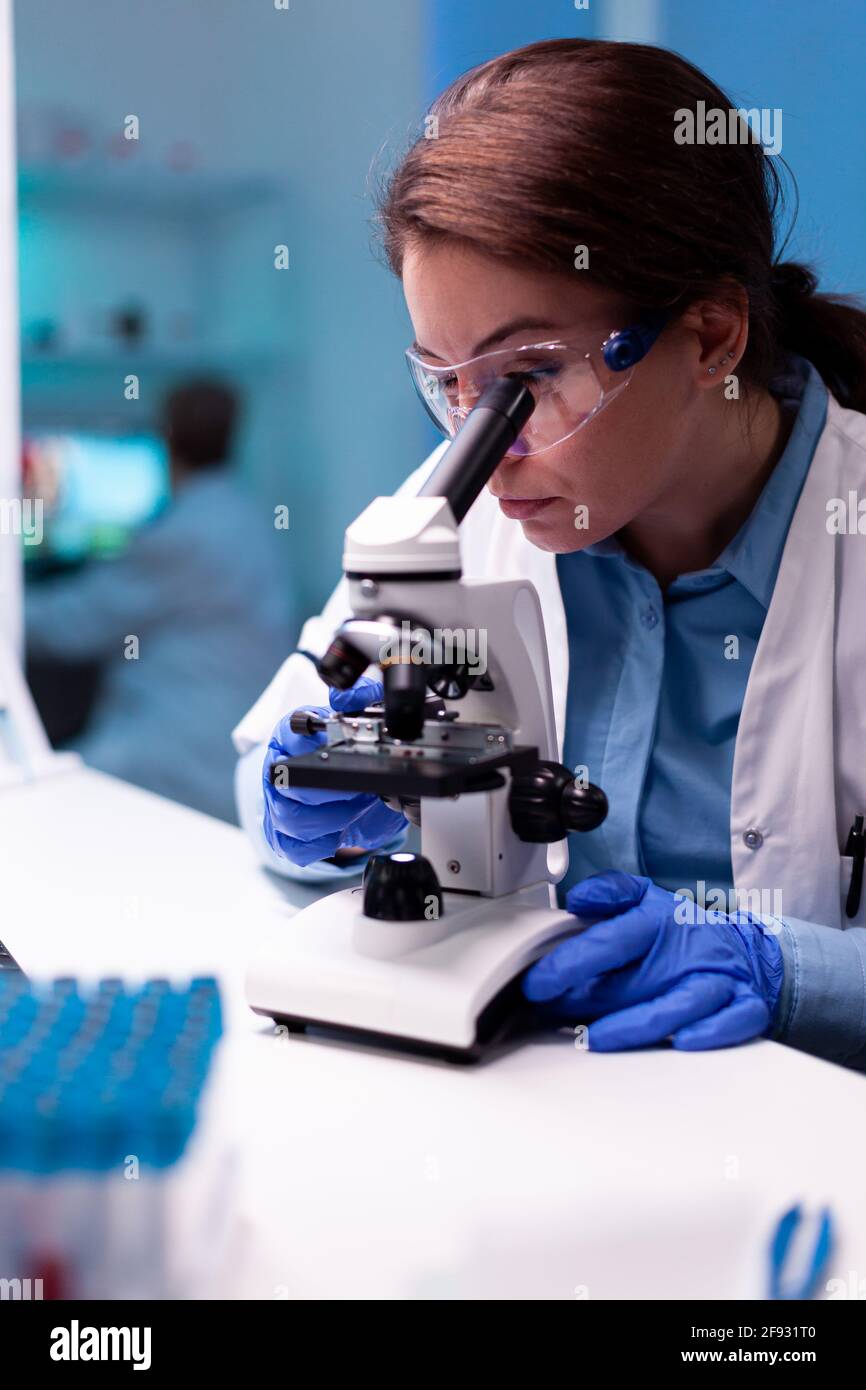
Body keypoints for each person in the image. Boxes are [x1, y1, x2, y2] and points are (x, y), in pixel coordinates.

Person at [233, 40, 866, 1069]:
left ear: (707, 336)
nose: (485, 445)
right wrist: (293, 797)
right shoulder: (450, 512)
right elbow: (271, 757)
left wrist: (786, 973)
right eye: (447, 383)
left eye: (528, 374)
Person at [27, 380, 294, 821]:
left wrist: (14, 608)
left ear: (166, 437)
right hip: (227, 748)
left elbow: (70, 624)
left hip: (181, 754)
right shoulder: (242, 516)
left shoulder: (185, 535)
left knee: (39, 795)